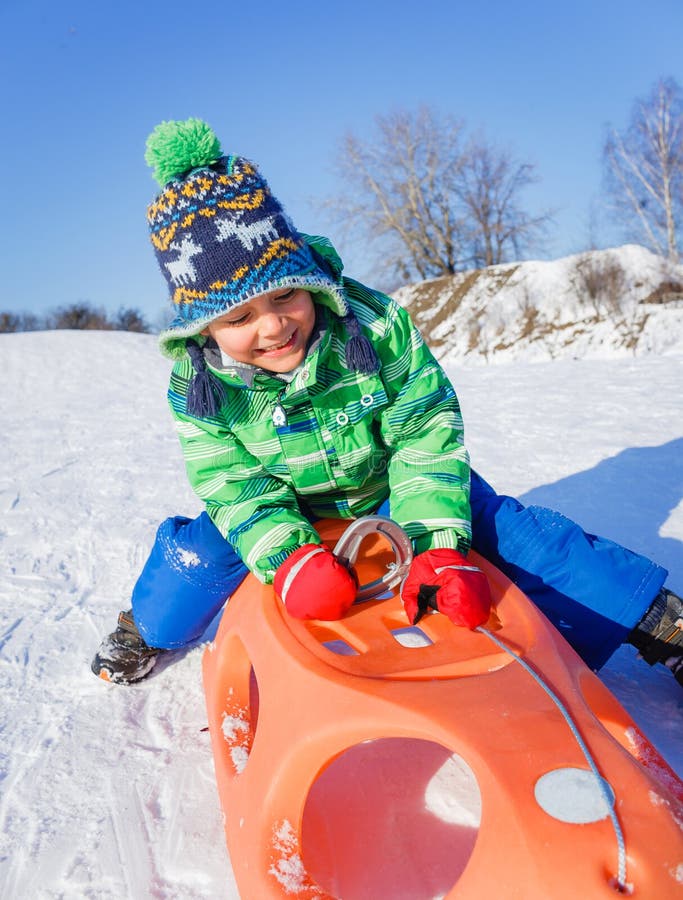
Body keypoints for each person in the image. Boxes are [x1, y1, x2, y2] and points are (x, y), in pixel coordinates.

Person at [91, 118, 682, 687]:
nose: (273, 327)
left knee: (513, 533)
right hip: (283, 497)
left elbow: (425, 430)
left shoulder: (371, 328)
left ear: (310, 279)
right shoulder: (200, 389)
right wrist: (289, 555)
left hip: (387, 479)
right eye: (240, 317)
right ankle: (147, 628)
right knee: (207, 547)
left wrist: (436, 541)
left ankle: (656, 621)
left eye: (287, 295)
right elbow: (229, 480)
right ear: (202, 330)